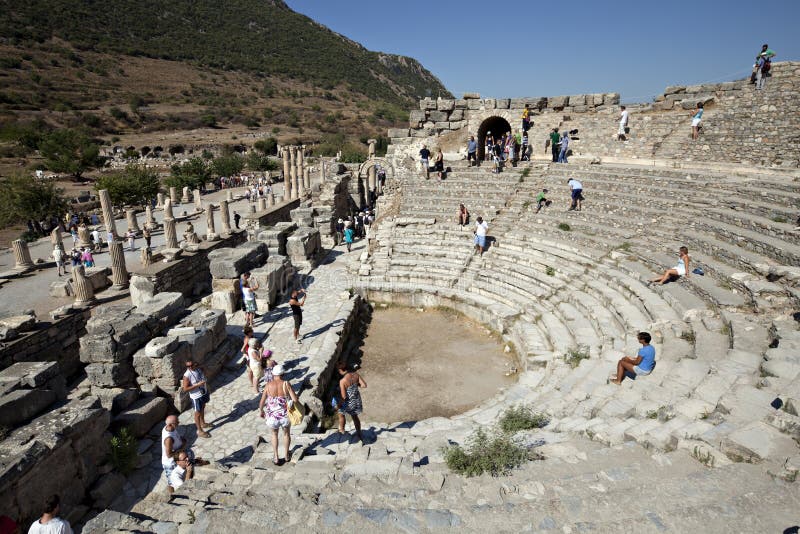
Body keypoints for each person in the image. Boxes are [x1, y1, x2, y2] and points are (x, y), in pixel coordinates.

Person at [258, 364, 300, 465]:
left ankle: (276, 457)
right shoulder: (286, 384)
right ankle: (286, 456)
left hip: (272, 417)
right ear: (283, 374)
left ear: (273, 374)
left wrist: (261, 411)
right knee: (286, 434)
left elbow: (262, 401)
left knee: (274, 435)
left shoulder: (268, 385)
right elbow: (295, 399)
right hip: (285, 416)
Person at [337, 361, 367, 441]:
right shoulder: (356, 375)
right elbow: (364, 385)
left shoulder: (342, 381)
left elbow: (344, 396)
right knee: (355, 417)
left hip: (348, 402)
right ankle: (359, 433)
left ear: (340, 370)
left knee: (340, 413)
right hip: (356, 401)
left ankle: (342, 430)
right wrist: (355, 386)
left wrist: (339, 405)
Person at [182, 360, 211, 438]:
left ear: (195, 363)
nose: (190, 367)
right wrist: (197, 385)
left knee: (203, 407)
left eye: (191, 365)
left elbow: (204, 374)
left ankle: (203, 423)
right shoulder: (187, 375)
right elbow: (185, 389)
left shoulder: (198, 368)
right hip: (196, 396)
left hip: (203, 392)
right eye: (188, 366)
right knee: (197, 413)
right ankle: (200, 431)